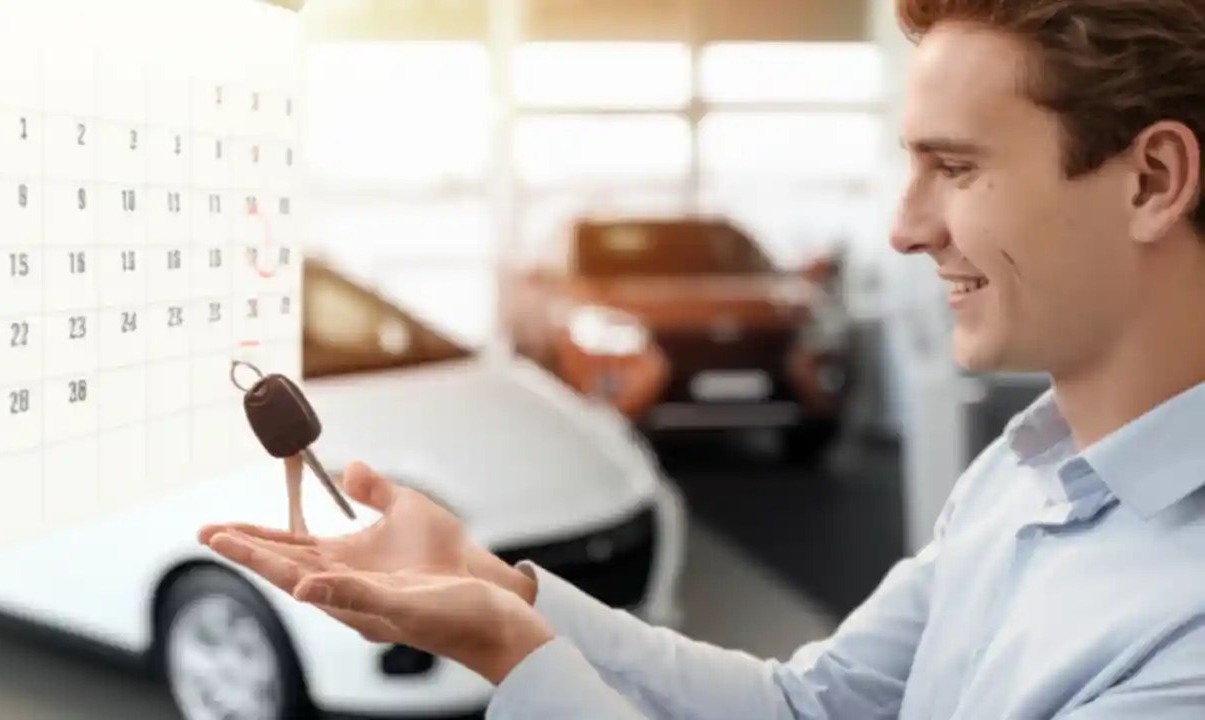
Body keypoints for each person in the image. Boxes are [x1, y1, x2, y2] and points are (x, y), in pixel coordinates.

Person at [199, 0, 1205, 716]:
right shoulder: (1016, 478)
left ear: (1150, 180)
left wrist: (512, 657)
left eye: (953, 168)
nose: (903, 228)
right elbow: (803, 706)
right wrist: (496, 591)